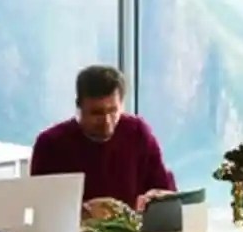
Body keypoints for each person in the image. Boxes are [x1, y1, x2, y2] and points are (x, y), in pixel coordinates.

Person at [30, 65, 175, 212]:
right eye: (96, 113)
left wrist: (157, 197)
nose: (107, 121)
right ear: (79, 106)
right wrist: (83, 211)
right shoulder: (51, 145)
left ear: (122, 105)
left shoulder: (138, 133)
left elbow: (164, 189)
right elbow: (40, 207)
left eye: (113, 110)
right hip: (74, 227)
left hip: (134, 225)